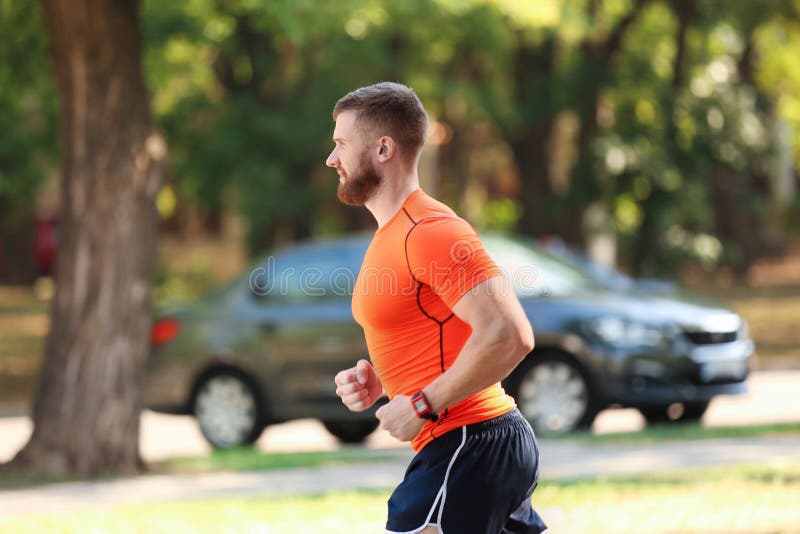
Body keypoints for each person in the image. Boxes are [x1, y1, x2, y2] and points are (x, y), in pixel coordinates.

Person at [328, 82, 547, 534]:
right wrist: (383, 382)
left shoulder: (430, 230)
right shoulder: (390, 234)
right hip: (471, 445)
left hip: (469, 442)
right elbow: (438, 334)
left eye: (341, 145)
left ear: (383, 148)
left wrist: (423, 403)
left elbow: (510, 333)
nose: (332, 160)